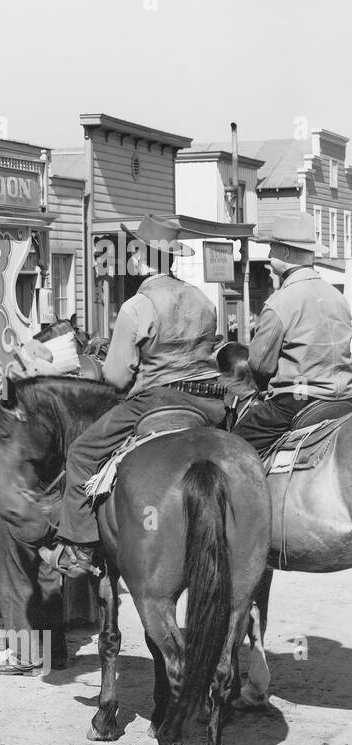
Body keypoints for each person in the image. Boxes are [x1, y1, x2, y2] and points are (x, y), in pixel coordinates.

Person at [55, 217, 227, 577]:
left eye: (133, 249)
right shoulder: (203, 299)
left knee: (82, 454)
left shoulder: (138, 305)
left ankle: (81, 549)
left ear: (139, 255)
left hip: (157, 399)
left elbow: (117, 377)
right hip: (212, 404)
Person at [233, 210, 352, 454]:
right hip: (344, 400)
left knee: (232, 449)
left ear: (285, 252)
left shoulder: (281, 302)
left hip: (297, 400)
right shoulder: (338, 297)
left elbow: (260, 364)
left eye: (272, 247)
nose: (268, 253)